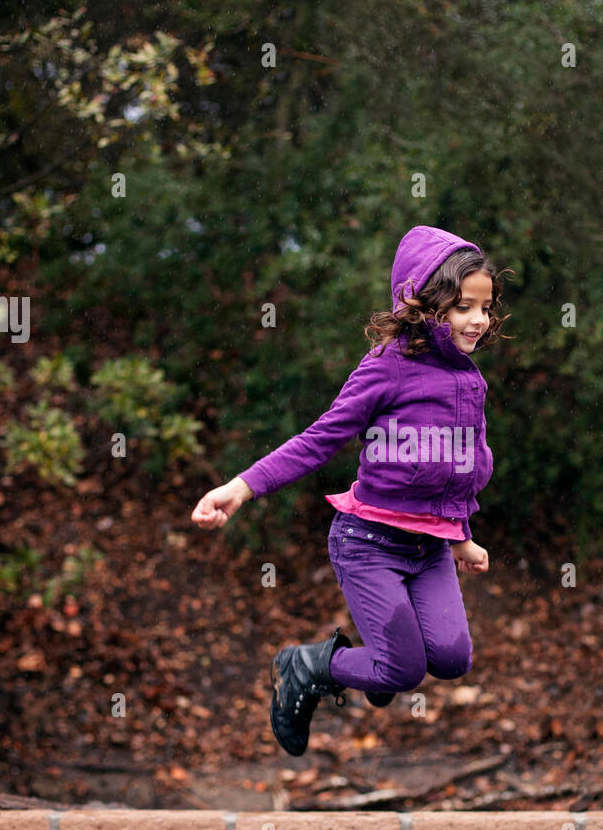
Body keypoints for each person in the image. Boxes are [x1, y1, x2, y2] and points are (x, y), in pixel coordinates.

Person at [191, 224, 507, 757]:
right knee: (403, 669)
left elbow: (456, 472)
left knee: (452, 659)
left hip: (429, 548)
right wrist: (241, 487)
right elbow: (319, 441)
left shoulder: (468, 381)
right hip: (369, 544)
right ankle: (306, 666)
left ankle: (380, 667)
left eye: (486, 307)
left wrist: (460, 537)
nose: (479, 320)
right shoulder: (387, 367)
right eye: (463, 308)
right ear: (423, 303)